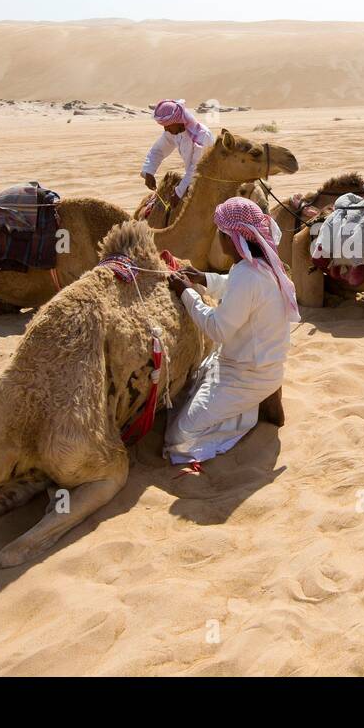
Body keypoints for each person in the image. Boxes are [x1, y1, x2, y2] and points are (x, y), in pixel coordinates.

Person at [165, 197, 299, 469]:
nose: (218, 238)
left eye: (221, 233)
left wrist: (187, 294)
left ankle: (242, 422)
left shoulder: (248, 274)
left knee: (177, 437)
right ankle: (239, 412)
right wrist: (204, 278)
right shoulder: (258, 266)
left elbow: (217, 329)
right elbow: (236, 287)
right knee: (188, 389)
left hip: (248, 375)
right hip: (250, 365)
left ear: (232, 239)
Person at [142, 99, 215, 199]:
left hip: (210, 183)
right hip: (191, 180)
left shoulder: (201, 136)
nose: (165, 129)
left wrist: (178, 193)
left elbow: (196, 169)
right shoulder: (173, 132)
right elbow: (158, 151)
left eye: (167, 126)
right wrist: (149, 171)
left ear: (178, 121)